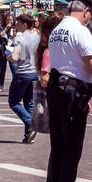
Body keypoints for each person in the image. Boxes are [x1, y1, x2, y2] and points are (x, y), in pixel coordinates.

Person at [44, 1, 92, 182]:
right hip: (71, 90)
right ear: (86, 12)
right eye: (90, 14)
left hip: (56, 87)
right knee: (72, 147)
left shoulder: (58, 29)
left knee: (57, 145)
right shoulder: (80, 30)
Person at [5, 14, 41, 143]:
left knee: (13, 102)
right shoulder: (37, 36)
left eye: (18, 23)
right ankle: (28, 136)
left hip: (22, 73)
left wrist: (8, 56)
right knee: (29, 103)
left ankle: (30, 123)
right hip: (34, 73)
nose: (16, 25)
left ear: (25, 25)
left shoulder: (20, 37)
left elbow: (15, 57)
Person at [29, 14, 60, 144]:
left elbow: (44, 79)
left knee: (57, 144)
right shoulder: (55, 50)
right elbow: (45, 78)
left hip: (53, 99)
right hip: (59, 99)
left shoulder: (47, 51)